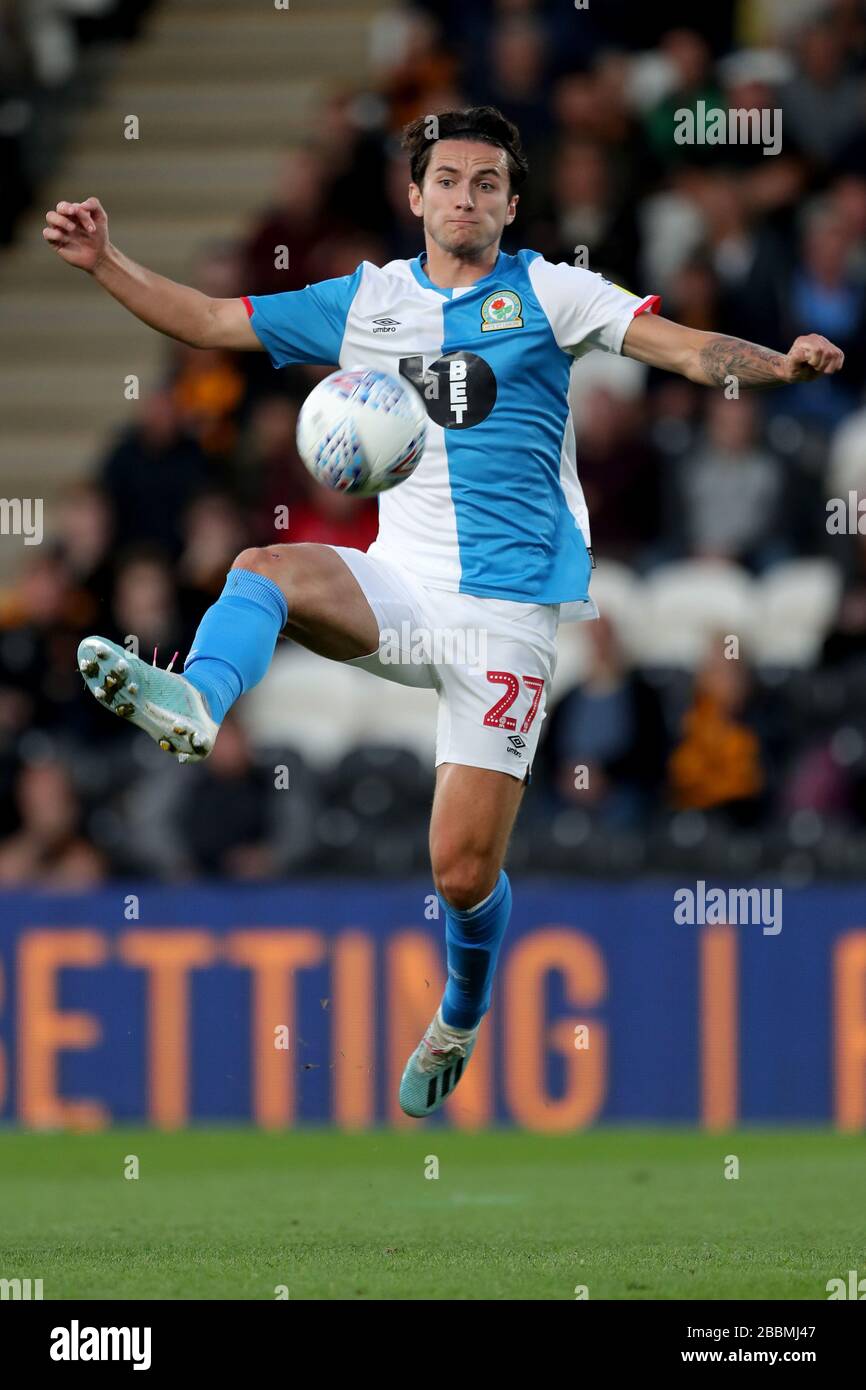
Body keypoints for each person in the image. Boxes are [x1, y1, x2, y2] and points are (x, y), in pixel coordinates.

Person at [42, 104, 844, 1118]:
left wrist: (776, 365)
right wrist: (107, 262)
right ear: (413, 194)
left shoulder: (551, 293)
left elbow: (679, 349)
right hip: (401, 585)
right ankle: (198, 701)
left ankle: (459, 1012)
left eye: (486, 184)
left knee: (459, 870)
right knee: (263, 564)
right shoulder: (367, 302)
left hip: (506, 620)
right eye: (448, 180)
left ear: (511, 203)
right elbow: (209, 321)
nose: (465, 198)